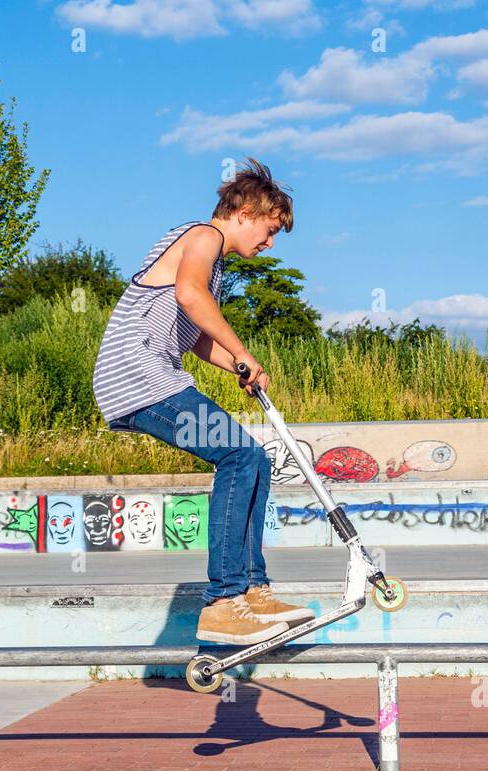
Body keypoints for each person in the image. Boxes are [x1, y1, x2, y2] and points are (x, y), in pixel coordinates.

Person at [92, 158, 316, 645]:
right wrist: (242, 349)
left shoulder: (210, 263)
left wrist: (238, 366)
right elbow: (191, 297)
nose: (270, 242)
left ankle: (252, 590)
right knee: (239, 454)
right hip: (138, 378)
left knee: (253, 458)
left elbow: (192, 334)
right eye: (270, 229)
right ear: (245, 212)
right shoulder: (203, 238)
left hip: (152, 376)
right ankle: (222, 601)